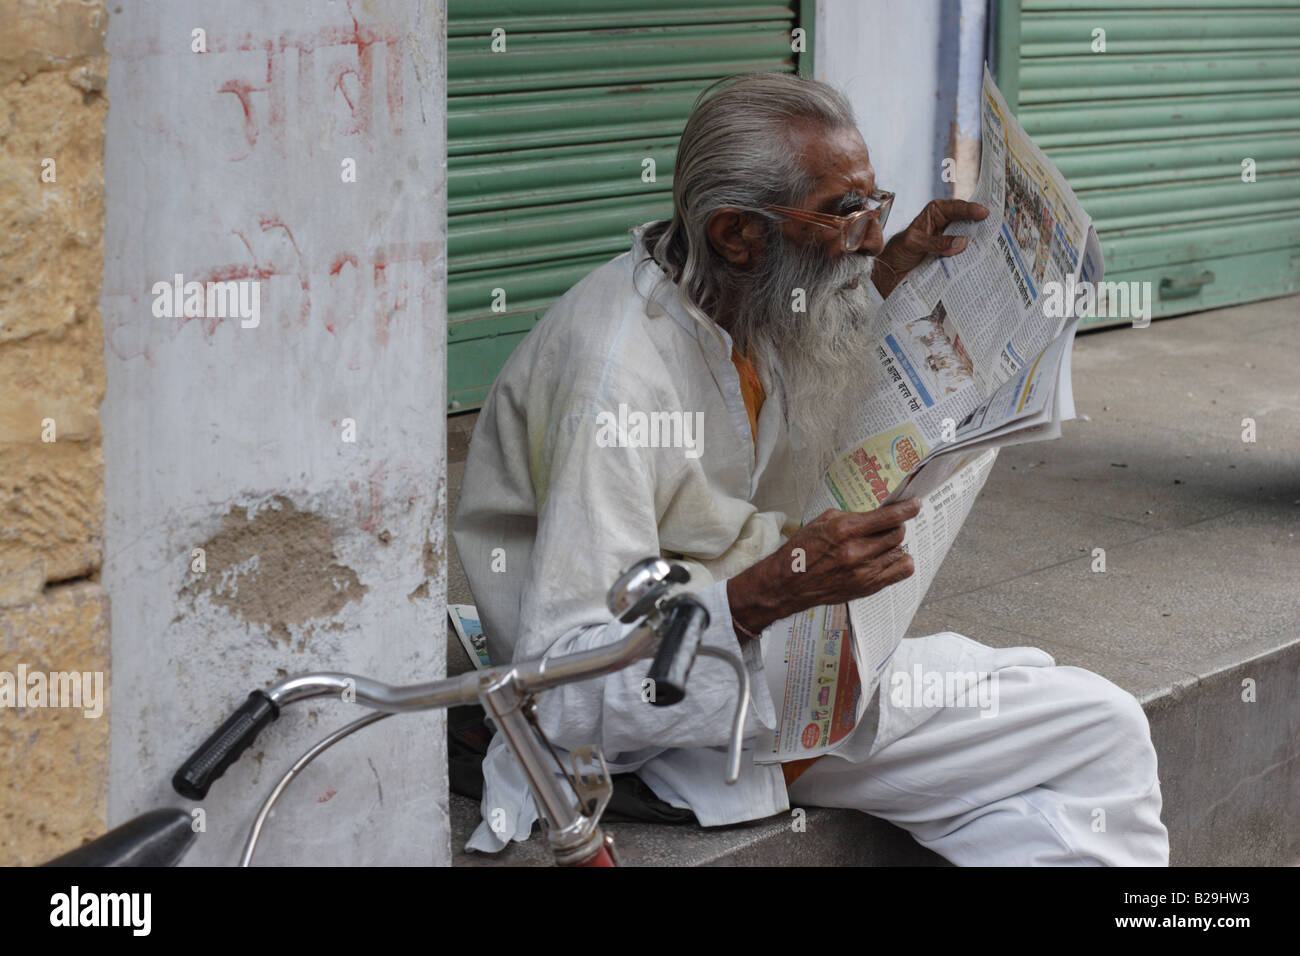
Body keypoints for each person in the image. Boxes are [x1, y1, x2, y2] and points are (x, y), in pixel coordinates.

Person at [452, 71, 1169, 866]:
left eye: (874, 203)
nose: (869, 234)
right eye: (844, 213)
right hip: (692, 711)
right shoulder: (614, 379)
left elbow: (784, 383)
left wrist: (885, 273)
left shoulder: (732, 293)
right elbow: (569, 694)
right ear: (736, 233)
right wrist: (775, 589)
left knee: (1042, 793)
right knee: (1098, 731)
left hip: (777, 647)